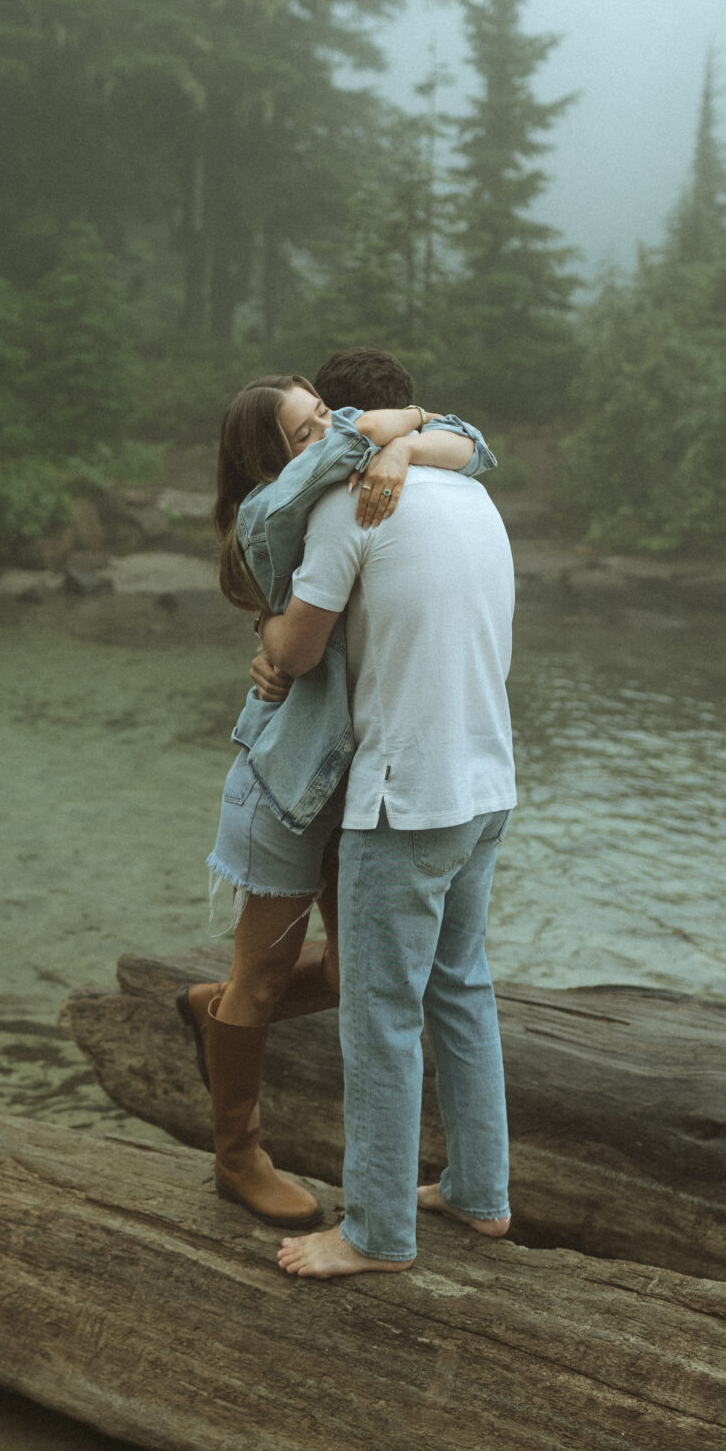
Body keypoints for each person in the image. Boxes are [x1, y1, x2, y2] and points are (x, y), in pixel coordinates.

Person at [179, 357, 495, 1232]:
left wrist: (399, 444)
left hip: (365, 782)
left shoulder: (346, 480)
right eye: (305, 429)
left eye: (325, 413)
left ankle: (218, 1009)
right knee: (269, 971)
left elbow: (461, 439)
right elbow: (296, 650)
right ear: (263, 461)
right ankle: (237, 1155)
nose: (329, 431)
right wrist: (390, 441)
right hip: (285, 781)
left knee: (363, 973)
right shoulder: (274, 509)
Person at [259, 351, 516, 1277]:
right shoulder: (470, 490)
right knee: (461, 990)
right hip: (486, 784)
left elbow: (299, 641)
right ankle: (480, 1194)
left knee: (378, 1016)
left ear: (345, 425)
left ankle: (372, 1232)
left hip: (406, 799)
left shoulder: (343, 507)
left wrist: (266, 636)